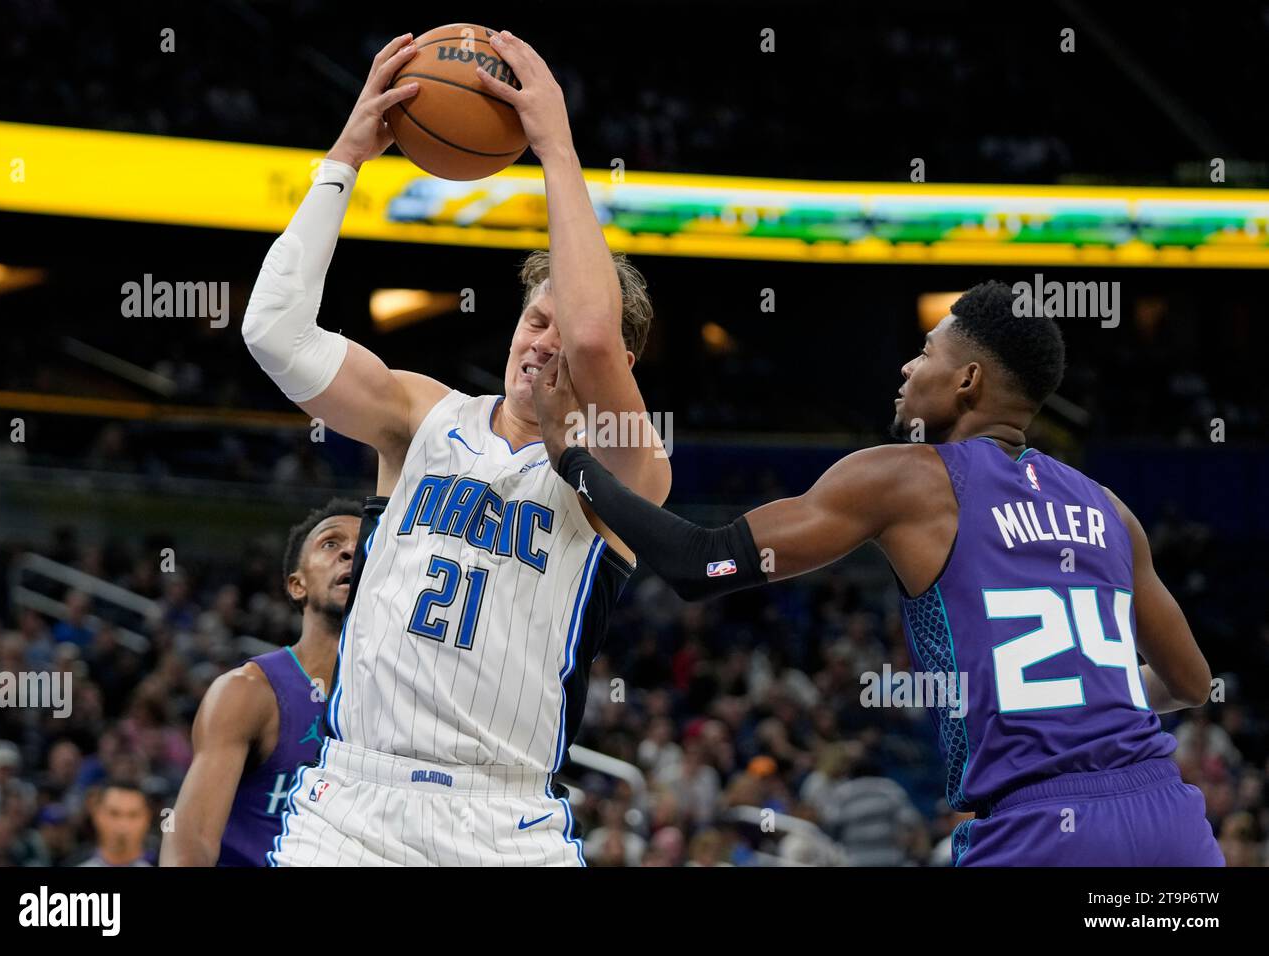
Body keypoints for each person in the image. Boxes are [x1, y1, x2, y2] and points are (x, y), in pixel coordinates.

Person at [531, 280, 1223, 866]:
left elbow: (697, 561)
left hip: (1039, 830)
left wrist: (573, 460)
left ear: (968, 380)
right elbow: (1191, 682)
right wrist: (1087, 704)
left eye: (924, 353)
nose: (905, 368)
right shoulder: (1111, 509)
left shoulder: (907, 480)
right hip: (1173, 823)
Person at [242, 29, 669, 865]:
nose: (543, 342)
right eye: (531, 319)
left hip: (506, 821)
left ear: (620, 364)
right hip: (356, 804)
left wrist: (555, 149)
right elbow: (273, 331)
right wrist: (348, 155)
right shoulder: (420, 414)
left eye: (565, 330)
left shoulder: (626, 468)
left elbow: (590, 335)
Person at [161, 498, 362, 866]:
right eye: (331, 543)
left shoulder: (404, 702)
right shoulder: (249, 691)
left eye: (364, 544)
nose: (351, 550)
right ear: (297, 585)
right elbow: (189, 843)